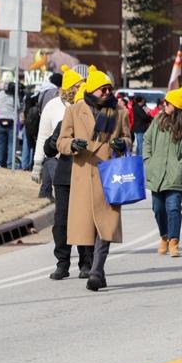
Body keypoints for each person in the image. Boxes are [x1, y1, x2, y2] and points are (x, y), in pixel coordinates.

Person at [55, 66, 131, 291]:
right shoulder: (74, 111)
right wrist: (73, 145)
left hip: (110, 177)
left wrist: (122, 144)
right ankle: (98, 270)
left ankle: (96, 271)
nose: (107, 92)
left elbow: (128, 138)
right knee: (90, 229)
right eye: (102, 89)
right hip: (84, 177)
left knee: (105, 227)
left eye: (109, 88)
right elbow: (61, 141)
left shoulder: (119, 111)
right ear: (92, 90)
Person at [43, 82, 93, 280]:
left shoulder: (95, 124)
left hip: (86, 177)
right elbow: (50, 149)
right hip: (65, 178)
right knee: (61, 222)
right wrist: (57, 140)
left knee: (84, 221)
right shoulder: (64, 122)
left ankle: (86, 263)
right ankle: (62, 264)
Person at [144, 86, 182, 258]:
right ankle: (163, 235)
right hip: (156, 172)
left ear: (176, 106)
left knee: (173, 208)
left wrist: (181, 165)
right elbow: (147, 140)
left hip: (175, 174)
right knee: (158, 208)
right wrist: (148, 160)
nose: (164, 105)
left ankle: (173, 240)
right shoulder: (158, 120)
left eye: (168, 102)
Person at [33, 66, 84, 199]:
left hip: (80, 161)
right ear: (70, 88)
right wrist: (37, 164)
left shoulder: (83, 106)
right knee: (64, 197)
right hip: (57, 159)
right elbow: (43, 135)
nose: (82, 88)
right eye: (78, 86)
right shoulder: (52, 106)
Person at [0, 82, 18, 168]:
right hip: (11, 121)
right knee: (11, 144)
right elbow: (17, 106)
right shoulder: (14, 97)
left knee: (0, 144)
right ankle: (10, 164)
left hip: (0, 121)